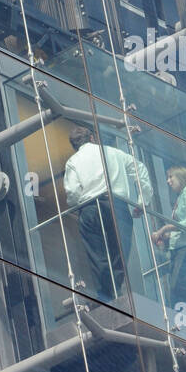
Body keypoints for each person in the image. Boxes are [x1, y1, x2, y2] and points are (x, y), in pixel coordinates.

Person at [64, 126, 153, 301]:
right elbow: (140, 168)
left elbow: (73, 192)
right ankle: (115, 290)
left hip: (90, 207)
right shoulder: (113, 152)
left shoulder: (73, 162)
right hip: (117, 205)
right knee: (120, 250)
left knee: (97, 254)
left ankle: (107, 295)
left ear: (75, 145)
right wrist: (144, 201)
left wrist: (78, 204)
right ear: (92, 138)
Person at [151, 166, 186, 317]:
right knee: (178, 286)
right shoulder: (182, 196)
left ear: (181, 177)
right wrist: (169, 235)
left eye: (171, 177)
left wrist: (164, 229)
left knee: (180, 285)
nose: (168, 181)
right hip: (184, 247)